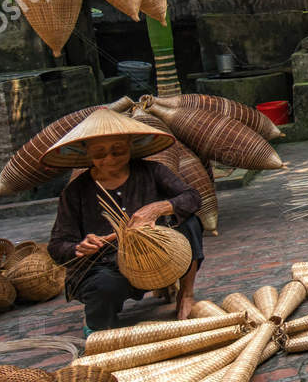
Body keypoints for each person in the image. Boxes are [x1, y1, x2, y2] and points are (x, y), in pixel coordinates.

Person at [44, 108, 205, 332]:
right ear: (87, 154)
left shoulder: (152, 171)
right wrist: (79, 247)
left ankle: (186, 295)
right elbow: (57, 245)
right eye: (100, 153)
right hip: (108, 265)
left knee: (190, 223)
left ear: (129, 146)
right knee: (105, 288)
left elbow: (193, 198)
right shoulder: (75, 192)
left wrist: (158, 208)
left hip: (154, 254)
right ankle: (98, 321)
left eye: (117, 150)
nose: (109, 159)